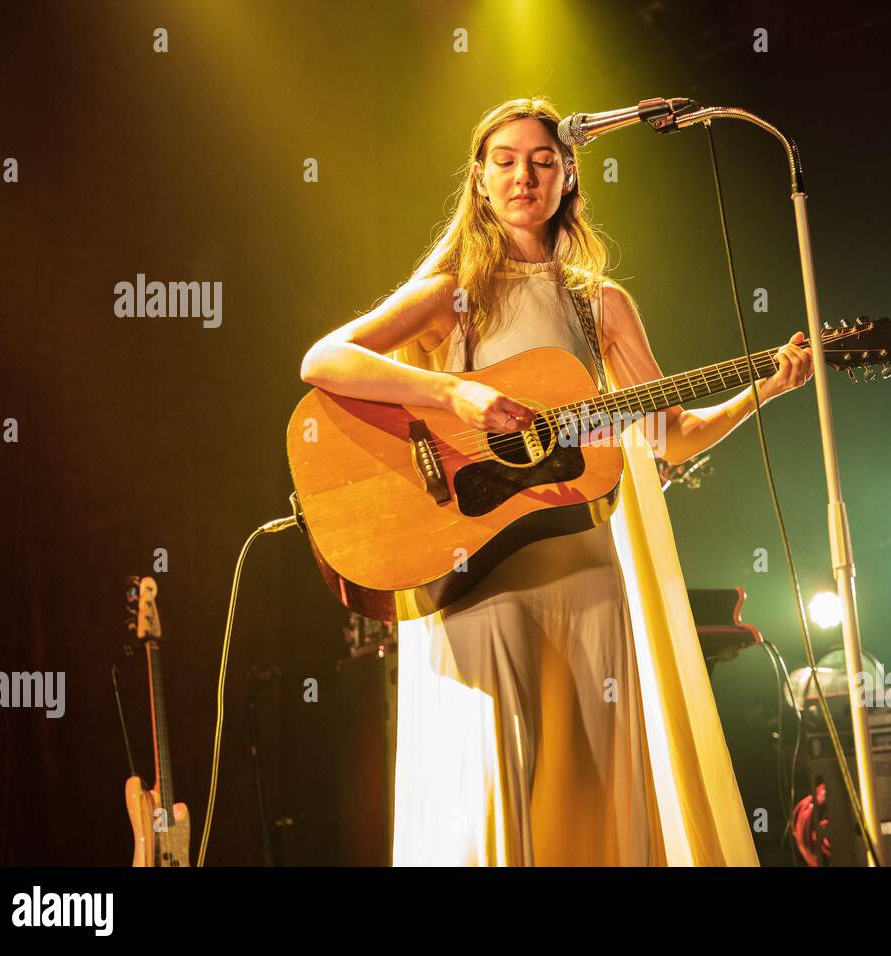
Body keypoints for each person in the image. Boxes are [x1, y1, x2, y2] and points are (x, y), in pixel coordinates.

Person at [300, 97, 814, 865]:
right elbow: (322, 361)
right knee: (496, 764)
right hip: (479, 562)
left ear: (569, 177)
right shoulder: (449, 292)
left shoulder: (600, 302)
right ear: (479, 180)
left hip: (583, 563)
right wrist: (453, 392)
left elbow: (671, 437)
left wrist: (764, 389)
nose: (523, 176)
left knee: (590, 767)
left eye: (542, 161)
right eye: (504, 160)